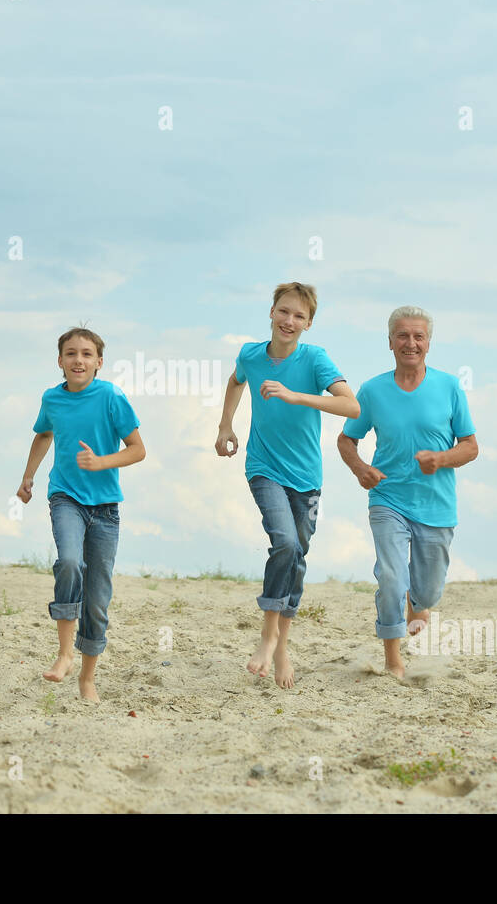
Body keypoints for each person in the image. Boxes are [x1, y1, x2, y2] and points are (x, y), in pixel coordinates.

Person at [215, 282, 359, 688]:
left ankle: (281, 647)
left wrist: (298, 397)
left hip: (307, 478)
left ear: (308, 323)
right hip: (263, 466)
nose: (289, 321)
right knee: (285, 542)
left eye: (298, 316)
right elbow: (235, 381)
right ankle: (267, 636)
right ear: (271, 313)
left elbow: (351, 405)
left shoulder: (315, 360)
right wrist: (226, 424)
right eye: (283, 311)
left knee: (296, 559)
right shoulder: (251, 354)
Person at [337, 306, 477, 679]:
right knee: (391, 578)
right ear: (390, 342)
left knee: (428, 593)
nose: (410, 343)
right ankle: (393, 660)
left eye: (418, 336)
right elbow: (346, 439)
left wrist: (442, 459)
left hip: (437, 505)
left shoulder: (449, 387)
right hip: (388, 498)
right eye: (402, 336)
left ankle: (419, 603)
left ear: (428, 343)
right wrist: (360, 468)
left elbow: (471, 446)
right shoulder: (373, 390)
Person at [17, 327, 145, 703]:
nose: (78, 360)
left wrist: (101, 462)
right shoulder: (52, 399)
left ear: (99, 362)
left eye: (87, 354)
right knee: (70, 562)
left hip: (105, 508)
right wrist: (28, 477)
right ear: (60, 361)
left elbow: (137, 449)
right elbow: (43, 434)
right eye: (71, 354)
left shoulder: (111, 397)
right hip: (65, 497)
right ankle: (64, 654)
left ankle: (87, 679)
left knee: (98, 596)